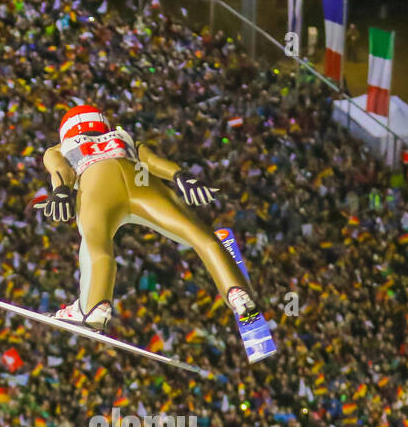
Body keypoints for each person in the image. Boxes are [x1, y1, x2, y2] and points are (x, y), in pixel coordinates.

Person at [39, 103, 260, 330]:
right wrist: (180, 175)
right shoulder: (123, 136)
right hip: (141, 181)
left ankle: (95, 304)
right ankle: (237, 292)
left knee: (96, 244)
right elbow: (152, 161)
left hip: (97, 184)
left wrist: (61, 189)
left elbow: (61, 169)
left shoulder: (59, 147)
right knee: (199, 236)